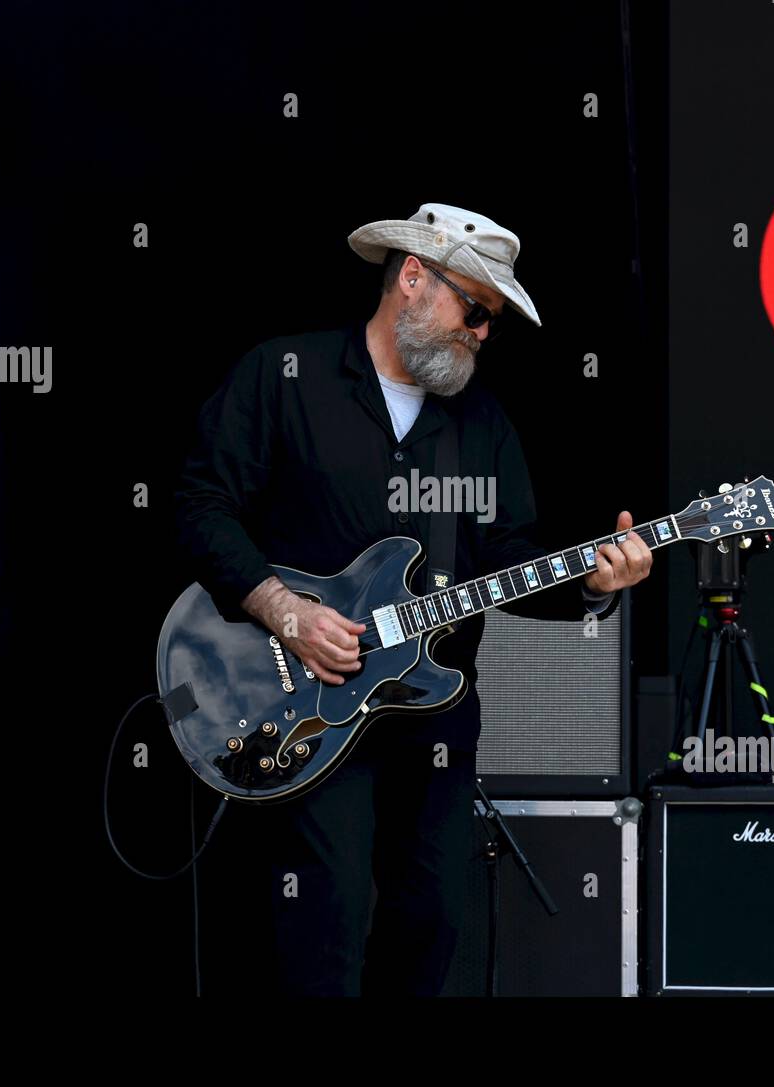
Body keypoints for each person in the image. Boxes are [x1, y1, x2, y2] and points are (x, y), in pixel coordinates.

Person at [174, 202, 652, 996]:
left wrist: (594, 585)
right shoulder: (284, 376)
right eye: (475, 309)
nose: (482, 333)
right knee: (323, 920)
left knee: (430, 924)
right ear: (412, 277)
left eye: (491, 320)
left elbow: (509, 559)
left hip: (433, 721)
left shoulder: (482, 424)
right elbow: (199, 504)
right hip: (302, 706)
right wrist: (282, 610)